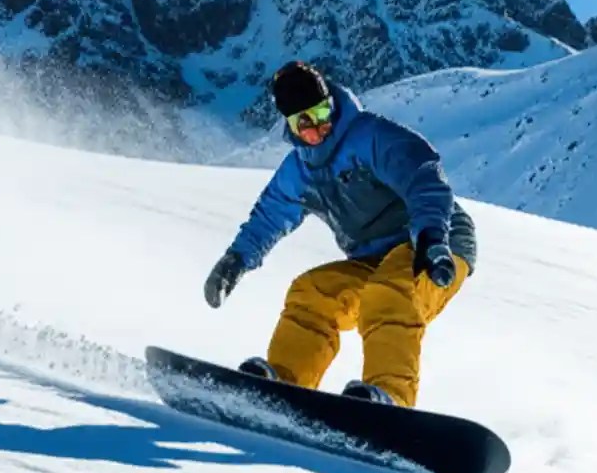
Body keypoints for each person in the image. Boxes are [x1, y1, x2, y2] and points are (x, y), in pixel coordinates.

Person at [203, 60, 477, 407]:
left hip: (436, 242)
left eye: (321, 113)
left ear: (331, 103)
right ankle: (285, 384)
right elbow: (268, 217)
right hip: (374, 260)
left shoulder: (368, 137)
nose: (315, 128)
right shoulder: (300, 170)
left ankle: (391, 399)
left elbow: (423, 177)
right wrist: (235, 261)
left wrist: (432, 238)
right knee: (312, 293)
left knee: (392, 293)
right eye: (302, 122)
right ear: (289, 126)